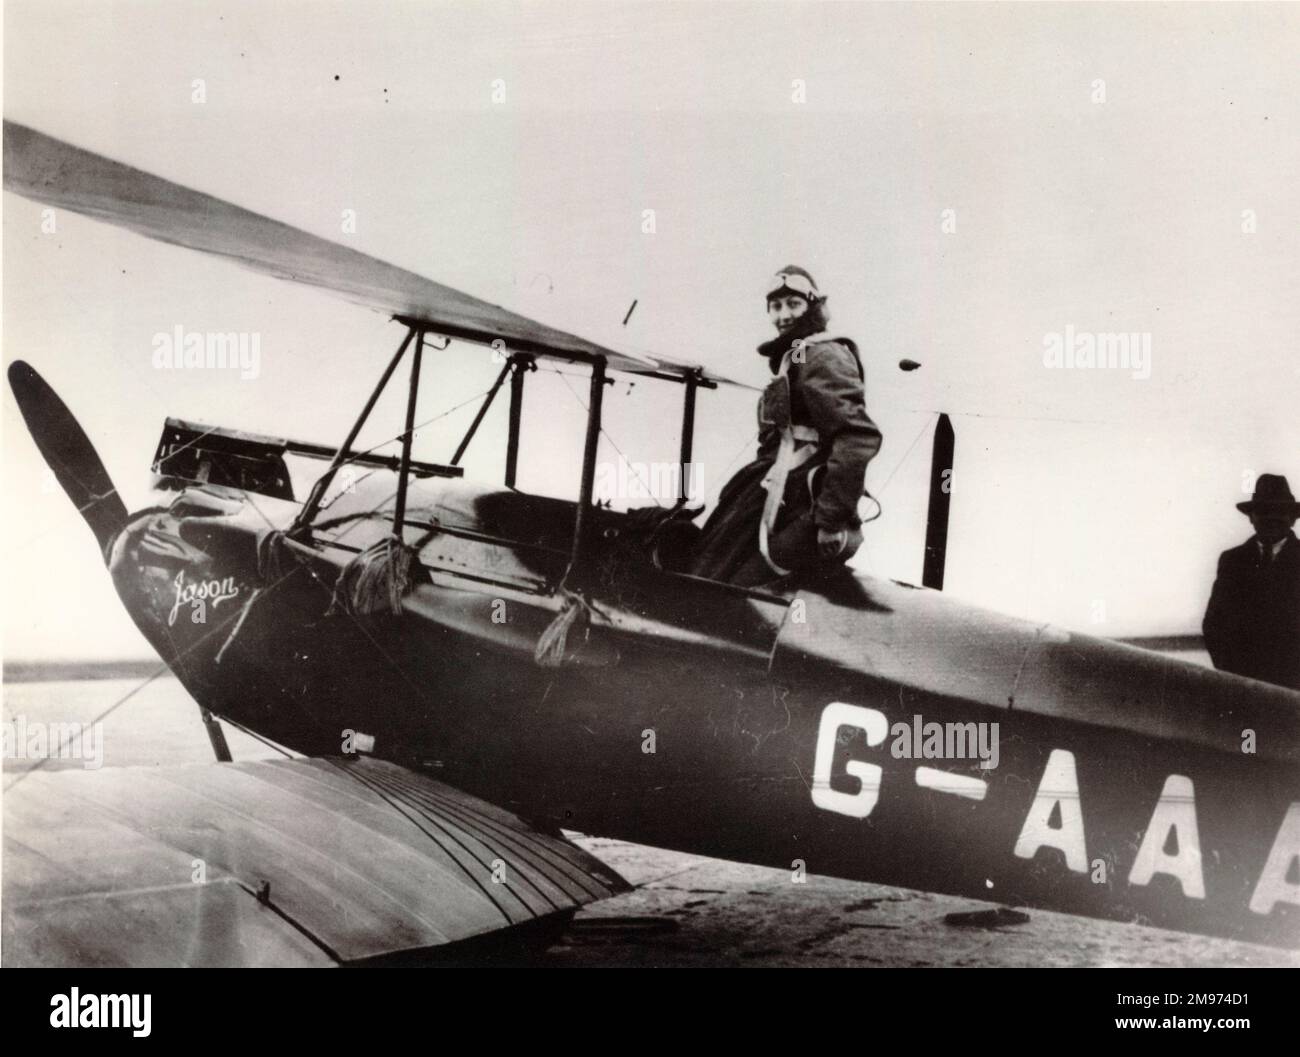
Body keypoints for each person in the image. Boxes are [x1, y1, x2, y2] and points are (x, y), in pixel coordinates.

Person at [690, 266, 882, 586]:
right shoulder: (797, 356)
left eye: (794, 304)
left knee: (719, 585)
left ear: (812, 306)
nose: (784, 315)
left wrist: (831, 519)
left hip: (799, 501)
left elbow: (857, 436)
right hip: (776, 492)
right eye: (776, 307)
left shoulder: (822, 355)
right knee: (709, 565)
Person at [1202, 473, 1300, 691]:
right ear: (1251, 517)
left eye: (1280, 511)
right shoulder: (1232, 561)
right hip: (1242, 690)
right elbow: (1214, 625)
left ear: (1293, 517)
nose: (1271, 518)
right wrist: (1234, 677)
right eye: (1263, 511)